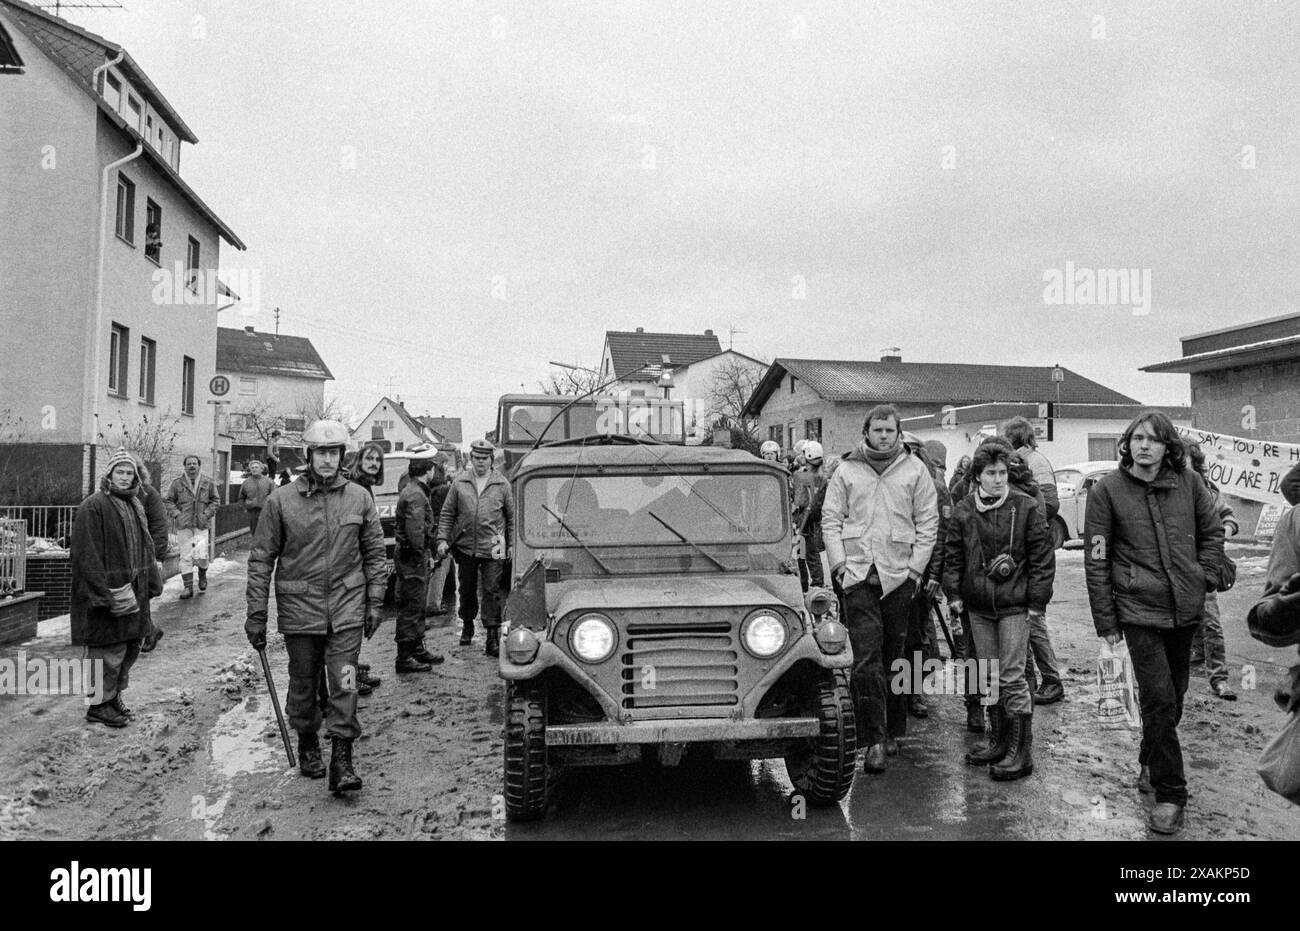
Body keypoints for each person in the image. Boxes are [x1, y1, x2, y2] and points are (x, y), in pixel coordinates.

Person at [1084, 411, 1224, 835]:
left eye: (1153, 439)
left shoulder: (1190, 484)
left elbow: (1212, 532)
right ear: (1127, 444)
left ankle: (1149, 756)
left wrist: (1207, 575)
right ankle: (1171, 794)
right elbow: (1096, 559)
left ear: (1168, 447)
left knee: (1175, 696)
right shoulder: (1106, 491)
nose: (1144, 445)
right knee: (1159, 698)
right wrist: (1106, 620)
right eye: (1137, 438)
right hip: (1137, 610)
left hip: (1184, 608)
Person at [245, 420, 386, 793]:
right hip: (299, 610)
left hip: (347, 608)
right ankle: (308, 740)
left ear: (342, 456)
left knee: (346, 679)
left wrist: (375, 601)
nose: (327, 459)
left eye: (334, 452)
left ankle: (342, 757)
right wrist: (256, 613)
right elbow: (261, 558)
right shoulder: (281, 501)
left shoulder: (359, 497)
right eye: (321, 452)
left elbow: (374, 553)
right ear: (309, 455)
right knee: (303, 682)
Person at [822, 405, 938, 773]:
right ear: (866, 432)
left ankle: (893, 731)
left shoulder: (915, 470)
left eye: (890, 430)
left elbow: (928, 523)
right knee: (866, 660)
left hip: (899, 577)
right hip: (858, 576)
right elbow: (830, 520)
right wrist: (839, 565)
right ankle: (872, 739)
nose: (884, 436)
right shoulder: (847, 469)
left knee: (897, 656)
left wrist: (916, 572)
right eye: (878, 430)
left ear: (899, 434)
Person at [943, 441, 1054, 780]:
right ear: (977, 477)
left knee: (1012, 676)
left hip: (1014, 606)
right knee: (989, 674)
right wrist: (954, 593)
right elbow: (954, 554)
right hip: (978, 606)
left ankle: (1022, 752)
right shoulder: (963, 510)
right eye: (990, 473)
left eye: (1002, 473)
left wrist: (1037, 602)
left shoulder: (1025, 507)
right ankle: (998, 740)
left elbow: (1042, 557)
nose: (997, 479)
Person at [71, 449, 161, 727]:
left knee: (128, 647)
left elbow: (145, 546)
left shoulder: (134, 504)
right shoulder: (94, 506)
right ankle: (98, 705)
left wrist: (151, 582)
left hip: (134, 592)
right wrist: (101, 593)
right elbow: (86, 555)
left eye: (129, 472)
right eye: (119, 472)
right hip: (108, 594)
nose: (124, 477)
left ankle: (112, 698)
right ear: (108, 474)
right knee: (106, 652)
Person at [1001, 417, 1065, 705]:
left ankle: (1052, 680)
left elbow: (1050, 503)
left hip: (1031, 554)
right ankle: (1034, 680)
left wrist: (1030, 529)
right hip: (1026, 553)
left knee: (1033, 621)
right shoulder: (1030, 458)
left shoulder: (1029, 461)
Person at [436, 438, 514, 656]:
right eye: (477, 458)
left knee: (492, 590)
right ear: (471, 459)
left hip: (494, 546)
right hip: (466, 545)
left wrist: (511, 545)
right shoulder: (460, 483)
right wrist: (442, 539)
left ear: (491, 460)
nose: (480, 462)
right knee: (467, 588)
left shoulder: (502, 484)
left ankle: (491, 635)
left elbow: (511, 517)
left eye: (485, 459)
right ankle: (468, 623)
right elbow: (447, 514)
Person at [1182, 443, 1238, 700]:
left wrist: (1223, 531)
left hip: (1203, 565)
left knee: (1211, 622)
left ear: (1196, 463)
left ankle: (1219, 678)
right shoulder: (1166, 491)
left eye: (1184, 460)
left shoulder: (1208, 491)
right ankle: (1190, 663)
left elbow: (1227, 515)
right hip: (1175, 566)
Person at [903, 438, 952, 720]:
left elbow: (940, 536)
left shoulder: (935, 488)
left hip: (922, 577)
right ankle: (899, 692)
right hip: (896, 573)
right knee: (900, 636)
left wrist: (934, 574)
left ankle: (914, 690)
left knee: (918, 637)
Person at [394, 455, 446, 672]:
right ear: (430, 470)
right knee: (411, 606)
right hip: (413, 558)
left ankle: (416, 649)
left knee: (416, 603)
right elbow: (415, 533)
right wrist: (425, 557)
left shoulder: (414, 490)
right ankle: (405, 657)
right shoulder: (416, 495)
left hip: (412, 557)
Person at [163, 454, 219, 600]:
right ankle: (188, 587)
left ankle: (202, 575)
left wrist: (206, 514)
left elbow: (215, 500)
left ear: (199, 466)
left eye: (194, 463)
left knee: (201, 555)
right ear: (185, 466)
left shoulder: (207, 482)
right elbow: (169, 501)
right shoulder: (177, 483)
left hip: (201, 524)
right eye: (189, 464)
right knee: (185, 556)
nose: (192, 466)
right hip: (184, 525)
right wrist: (177, 515)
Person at [132, 455, 169, 654]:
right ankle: (148, 631)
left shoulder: (149, 494)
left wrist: (158, 556)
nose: (127, 476)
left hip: (143, 556)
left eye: (132, 471)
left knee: (141, 596)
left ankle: (148, 632)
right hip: (123, 556)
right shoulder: (115, 495)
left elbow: (159, 526)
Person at [792, 440, 826, 591]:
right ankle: (817, 584)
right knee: (812, 555)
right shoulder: (822, 478)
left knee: (803, 554)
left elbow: (799, 500)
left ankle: (805, 584)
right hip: (813, 521)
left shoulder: (802, 476)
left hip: (804, 521)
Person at [425, 458, 454, 616]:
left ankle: (430, 601)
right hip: (440, 532)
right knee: (441, 566)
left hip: (430, 531)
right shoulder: (444, 490)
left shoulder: (427, 489)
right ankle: (433, 603)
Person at [239, 459, 274, 537]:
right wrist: (244, 508)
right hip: (252, 512)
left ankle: (265, 548)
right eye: (252, 467)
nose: (254, 469)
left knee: (266, 533)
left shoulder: (269, 482)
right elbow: (241, 497)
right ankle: (255, 548)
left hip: (266, 511)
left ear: (261, 469)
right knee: (254, 533)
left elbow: (275, 497)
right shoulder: (246, 482)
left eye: (256, 467)